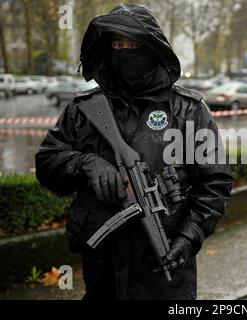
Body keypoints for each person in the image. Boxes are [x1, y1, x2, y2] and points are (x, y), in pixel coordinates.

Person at [35, 3, 233, 300]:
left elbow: (214, 184)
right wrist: (85, 164)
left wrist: (188, 236)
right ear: (107, 48)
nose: (126, 51)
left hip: (165, 272)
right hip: (103, 270)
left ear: (152, 48)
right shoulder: (84, 110)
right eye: (118, 43)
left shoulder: (187, 110)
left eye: (134, 44)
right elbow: (47, 163)